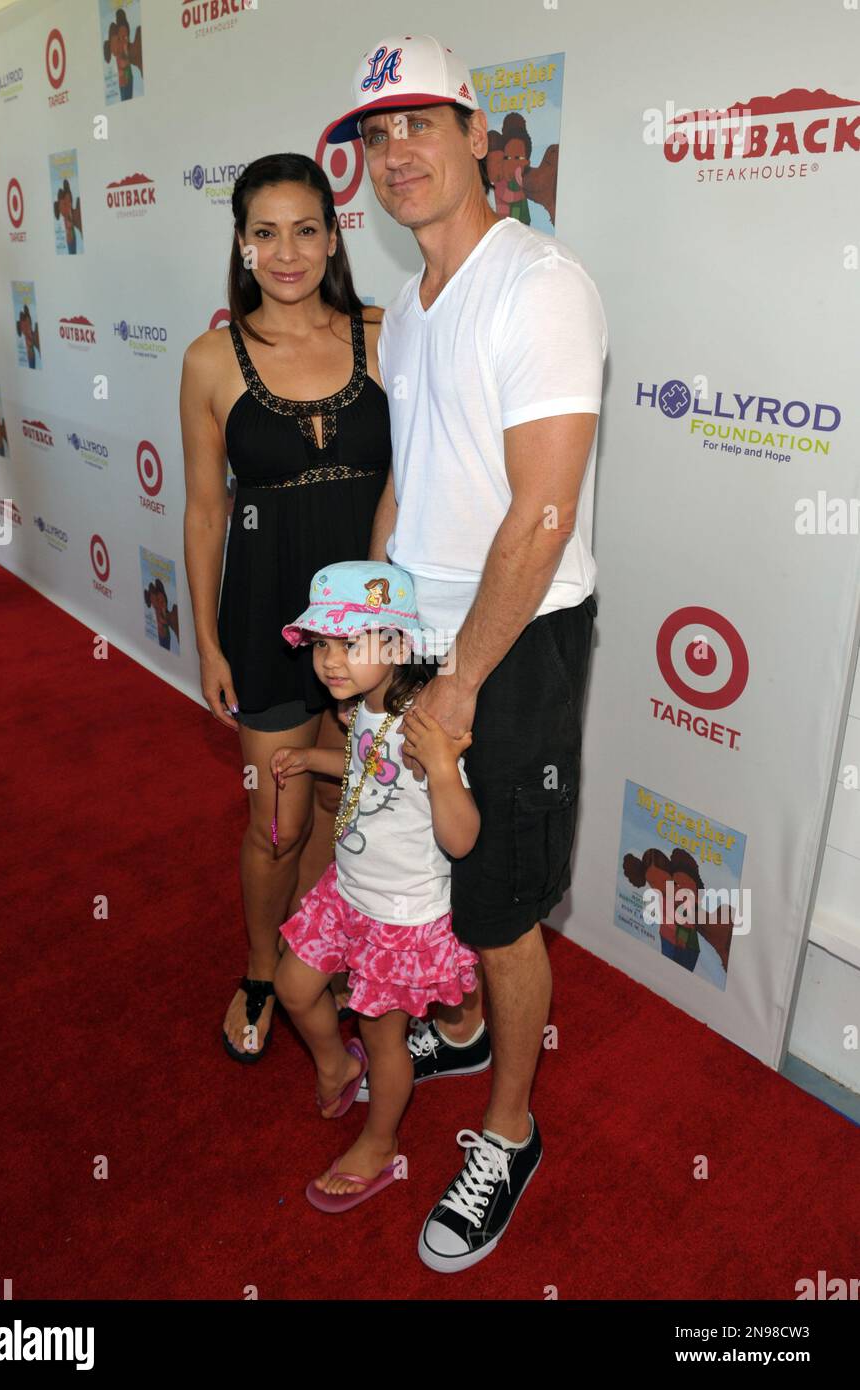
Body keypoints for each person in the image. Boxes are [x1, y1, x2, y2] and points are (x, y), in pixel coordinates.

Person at [324, 34, 608, 1270]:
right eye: (374, 135)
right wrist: (371, 636)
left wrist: (458, 684)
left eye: (417, 124)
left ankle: (508, 1126)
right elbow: (409, 482)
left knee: (497, 913)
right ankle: (472, 1035)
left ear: (476, 131)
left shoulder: (538, 283)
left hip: (516, 642)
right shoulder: (410, 311)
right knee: (434, 873)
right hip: (424, 635)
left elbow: (538, 516)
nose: (395, 153)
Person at [180, 153, 391, 1062]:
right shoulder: (208, 360)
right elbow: (203, 507)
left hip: (368, 625)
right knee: (278, 819)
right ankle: (264, 966)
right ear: (241, 242)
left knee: (349, 809)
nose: (287, 251)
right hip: (264, 617)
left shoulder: (382, 333)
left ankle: (322, 946)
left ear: (334, 233)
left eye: (305, 228)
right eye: (264, 232)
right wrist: (207, 639)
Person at [270, 560, 480, 1209]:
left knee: (382, 1036)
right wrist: (314, 759)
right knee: (291, 986)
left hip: (401, 914)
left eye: (349, 643)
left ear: (396, 646)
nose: (330, 660)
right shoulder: (365, 703)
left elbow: (462, 836)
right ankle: (337, 1066)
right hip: (349, 890)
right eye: (322, 645)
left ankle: (381, 1140)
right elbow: (370, 769)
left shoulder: (425, 724)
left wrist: (443, 769)